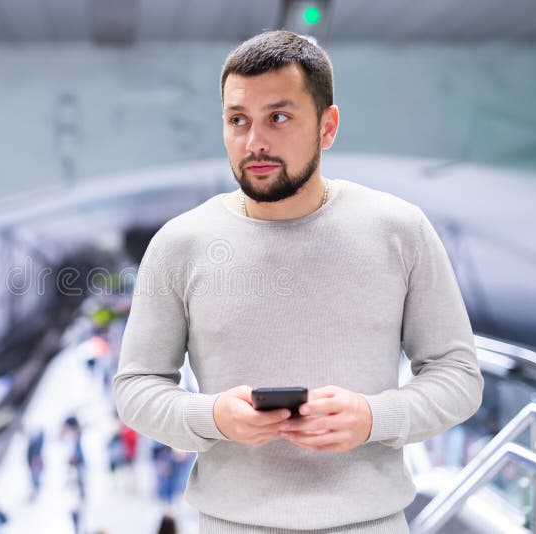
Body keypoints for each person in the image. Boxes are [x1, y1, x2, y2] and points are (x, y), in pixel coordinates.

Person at [113, 30, 484, 533]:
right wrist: (214, 417)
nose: (255, 142)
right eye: (237, 120)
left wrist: (374, 417)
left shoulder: (399, 230)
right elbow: (137, 387)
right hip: (230, 524)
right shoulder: (182, 243)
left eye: (279, 118)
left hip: (372, 523)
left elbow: (458, 374)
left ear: (327, 127)